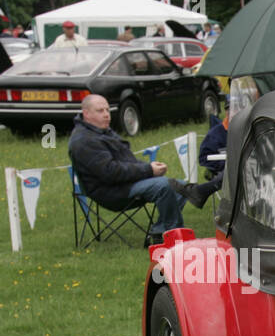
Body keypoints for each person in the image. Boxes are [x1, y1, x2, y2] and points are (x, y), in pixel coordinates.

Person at [68, 94, 221, 245]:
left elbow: (127, 162)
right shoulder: (84, 141)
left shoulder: (102, 131)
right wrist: (148, 170)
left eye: (107, 110)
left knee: (179, 186)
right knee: (166, 186)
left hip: (123, 183)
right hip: (110, 191)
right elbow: (110, 173)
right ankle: (173, 236)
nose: (106, 115)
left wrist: (150, 168)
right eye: (100, 111)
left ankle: (160, 232)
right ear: (86, 113)